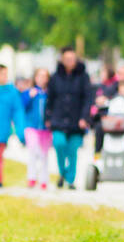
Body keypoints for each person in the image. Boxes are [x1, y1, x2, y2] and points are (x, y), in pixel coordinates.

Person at [45, 47, 92, 189]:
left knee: (73, 149)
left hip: (77, 120)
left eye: (72, 59)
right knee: (59, 144)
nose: (70, 62)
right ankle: (62, 172)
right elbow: (50, 99)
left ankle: (70, 179)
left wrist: (84, 117)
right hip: (58, 118)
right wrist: (48, 116)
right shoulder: (55, 77)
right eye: (67, 59)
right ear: (62, 60)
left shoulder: (83, 77)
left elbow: (88, 99)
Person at [22, 67, 52, 188]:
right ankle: (32, 177)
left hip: (45, 129)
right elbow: (22, 107)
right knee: (33, 151)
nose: (42, 78)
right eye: (40, 76)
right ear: (35, 77)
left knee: (44, 154)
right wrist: (29, 96)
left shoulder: (49, 94)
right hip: (32, 127)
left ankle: (44, 179)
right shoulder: (29, 92)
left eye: (45, 76)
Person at [0, 64, 26, 187]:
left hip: (2, 130)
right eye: (2, 74)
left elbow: (18, 112)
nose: (4, 77)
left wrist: (21, 132)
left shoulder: (12, 92)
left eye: (5, 74)